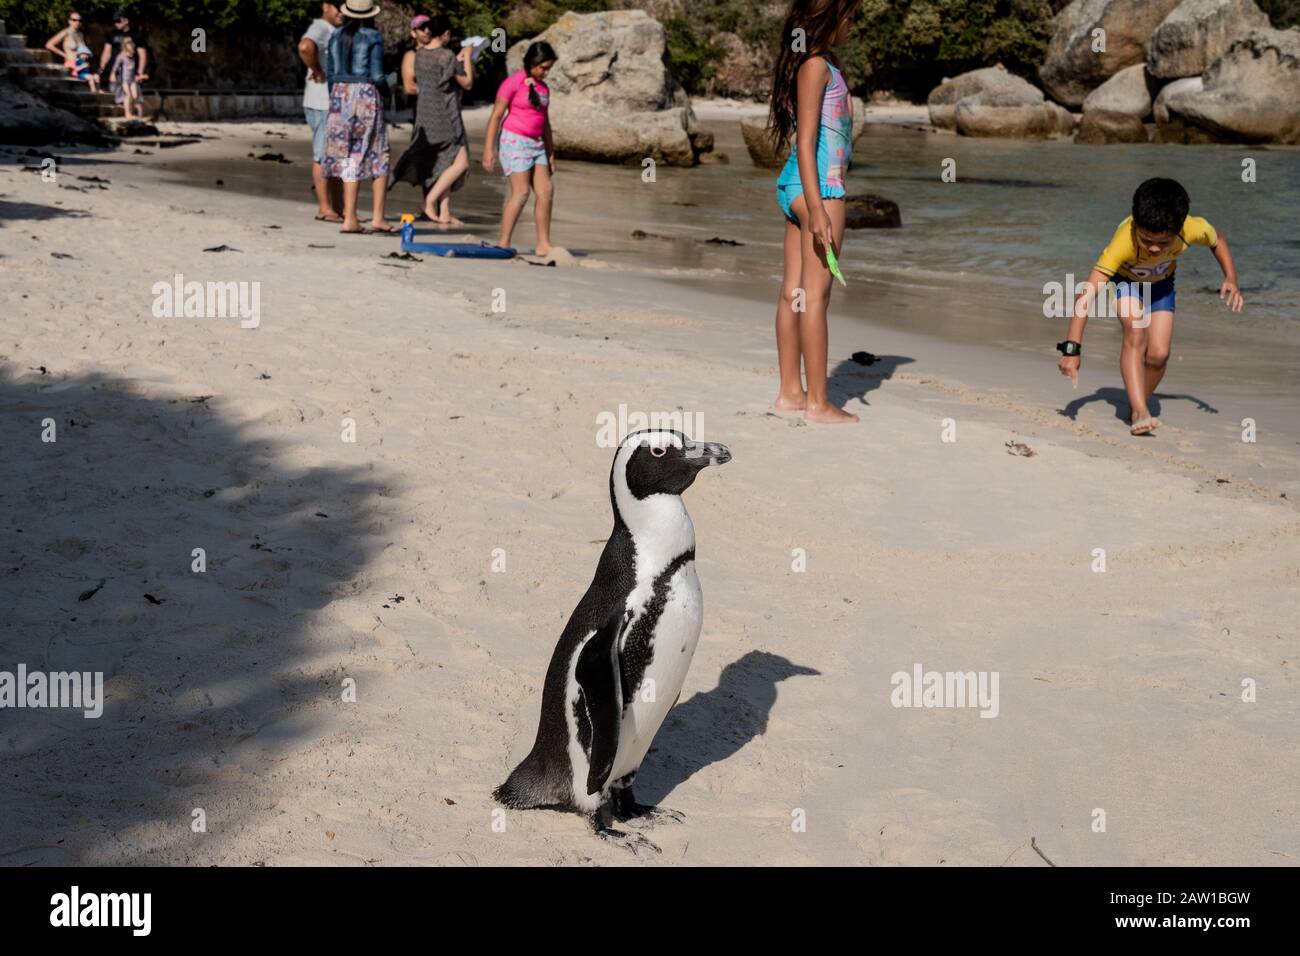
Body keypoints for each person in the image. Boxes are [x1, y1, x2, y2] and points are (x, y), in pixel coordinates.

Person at [1056, 178, 1243, 436]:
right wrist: (1072, 349)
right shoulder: (1124, 241)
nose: (1155, 248)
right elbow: (1086, 295)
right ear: (1135, 223)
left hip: (1162, 285)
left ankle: (1136, 406)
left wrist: (1230, 278)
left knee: (1159, 354)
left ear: (1179, 229)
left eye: (1164, 244)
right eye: (1146, 241)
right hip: (1125, 282)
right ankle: (1142, 411)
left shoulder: (1191, 228)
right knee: (1136, 329)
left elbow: (1217, 240)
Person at [767, 0, 860, 424]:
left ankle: (791, 393)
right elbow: (806, 142)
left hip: (799, 187)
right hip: (819, 188)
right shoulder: (815, 66)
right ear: (831, 18)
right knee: (815, 297)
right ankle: (818, 404)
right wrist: (819, 209)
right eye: (850, 16)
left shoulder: (823, 64)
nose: (853, 24)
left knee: (794, 291)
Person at [391, 14, 474, 226]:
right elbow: (467, 83)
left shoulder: (418, 55)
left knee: (444, 162)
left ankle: (444, 212)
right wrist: (468, 57)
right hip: (445, 115)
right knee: (461, 162)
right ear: (445, 34)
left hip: (425, 114)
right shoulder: (446, 56)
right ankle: (429, 201)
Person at [324, 0, 395, 234]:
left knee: (348, 157)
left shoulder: (335, 36)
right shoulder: (372, 36)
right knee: (378, 152)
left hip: (339, 95)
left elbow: (331, 74)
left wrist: (335, 100)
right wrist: (387, 92)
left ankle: (350, 217)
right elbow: (376, 74)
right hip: (365, 94)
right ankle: (378, 218)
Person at [482, 41, 556, 254]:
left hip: (537, 144)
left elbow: (545, 122)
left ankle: (543, 243)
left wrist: (550, 152)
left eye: (549, 68)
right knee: (521, 192)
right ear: (532, 62)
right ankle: (503, 242)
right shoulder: (513, 82)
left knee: (547, 191)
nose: (546, 72)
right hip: (514, 142)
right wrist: (489, 149)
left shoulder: (544, 88)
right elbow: (496, 116)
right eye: (543, 68)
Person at [298, 1, 345, 222]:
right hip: (320, 102)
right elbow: (305, 47)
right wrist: (317, 71)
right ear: (326, 6)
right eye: (338, 6)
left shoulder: (332, 30)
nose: (342, 11)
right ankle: (325, 208)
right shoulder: (320, 27)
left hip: (327, 102)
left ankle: (339, 208)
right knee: (322, 155)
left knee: (334, 155)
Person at [44, 11, 99, 92]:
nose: (77, 22)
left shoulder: (80, 34)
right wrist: (64, 54)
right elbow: (49, 45)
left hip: (81, 65)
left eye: (79, 20)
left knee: (96, 77)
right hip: (71, 65)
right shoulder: (65, 32)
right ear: (69, 21)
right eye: (74, 20)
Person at [98, 10, 149, 92]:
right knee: (109, 92)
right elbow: (106, 52)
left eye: (118, 21)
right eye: (114, 21)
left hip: (129, 70)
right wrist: (102, 67)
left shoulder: (136, 35)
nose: (116, 23)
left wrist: (140, 72)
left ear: (126, 21)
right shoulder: (111, 34)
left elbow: (142, 55)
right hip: (113, 69)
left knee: (130, 95)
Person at [110, 38, 144, 120]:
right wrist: (113, 74)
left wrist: (139, 76)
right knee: (128, 95)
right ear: (125, 47)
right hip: (124, 80)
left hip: (132, 79)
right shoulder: (121, 56)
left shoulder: (133, 56)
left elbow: (134, 69)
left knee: (135, 96)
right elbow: (115, 66)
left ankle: (132, 113)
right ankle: (127, 114)